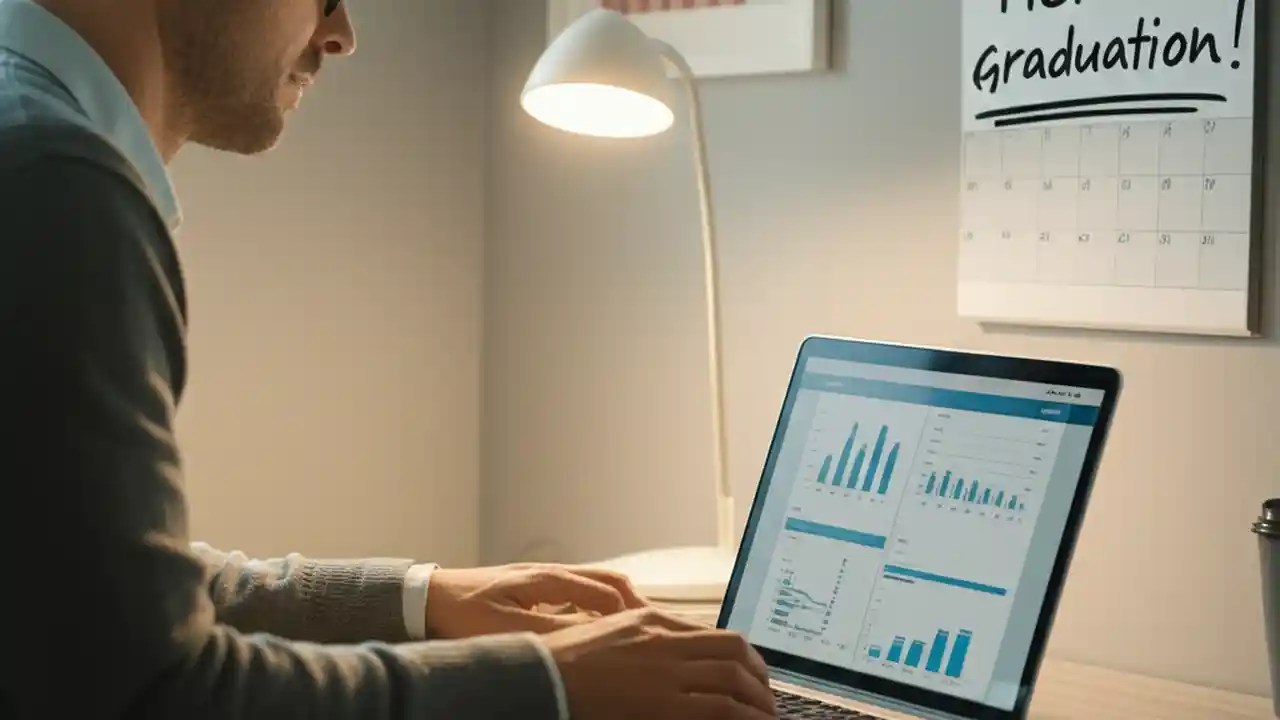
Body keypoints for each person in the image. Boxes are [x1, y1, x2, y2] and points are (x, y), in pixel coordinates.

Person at [0, 0, 778, 718]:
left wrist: (420, 598)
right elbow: (154, 692)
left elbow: (88, 599)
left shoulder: (32, 139)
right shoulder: (56, 184)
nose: (340, 33)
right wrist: (553, 683)